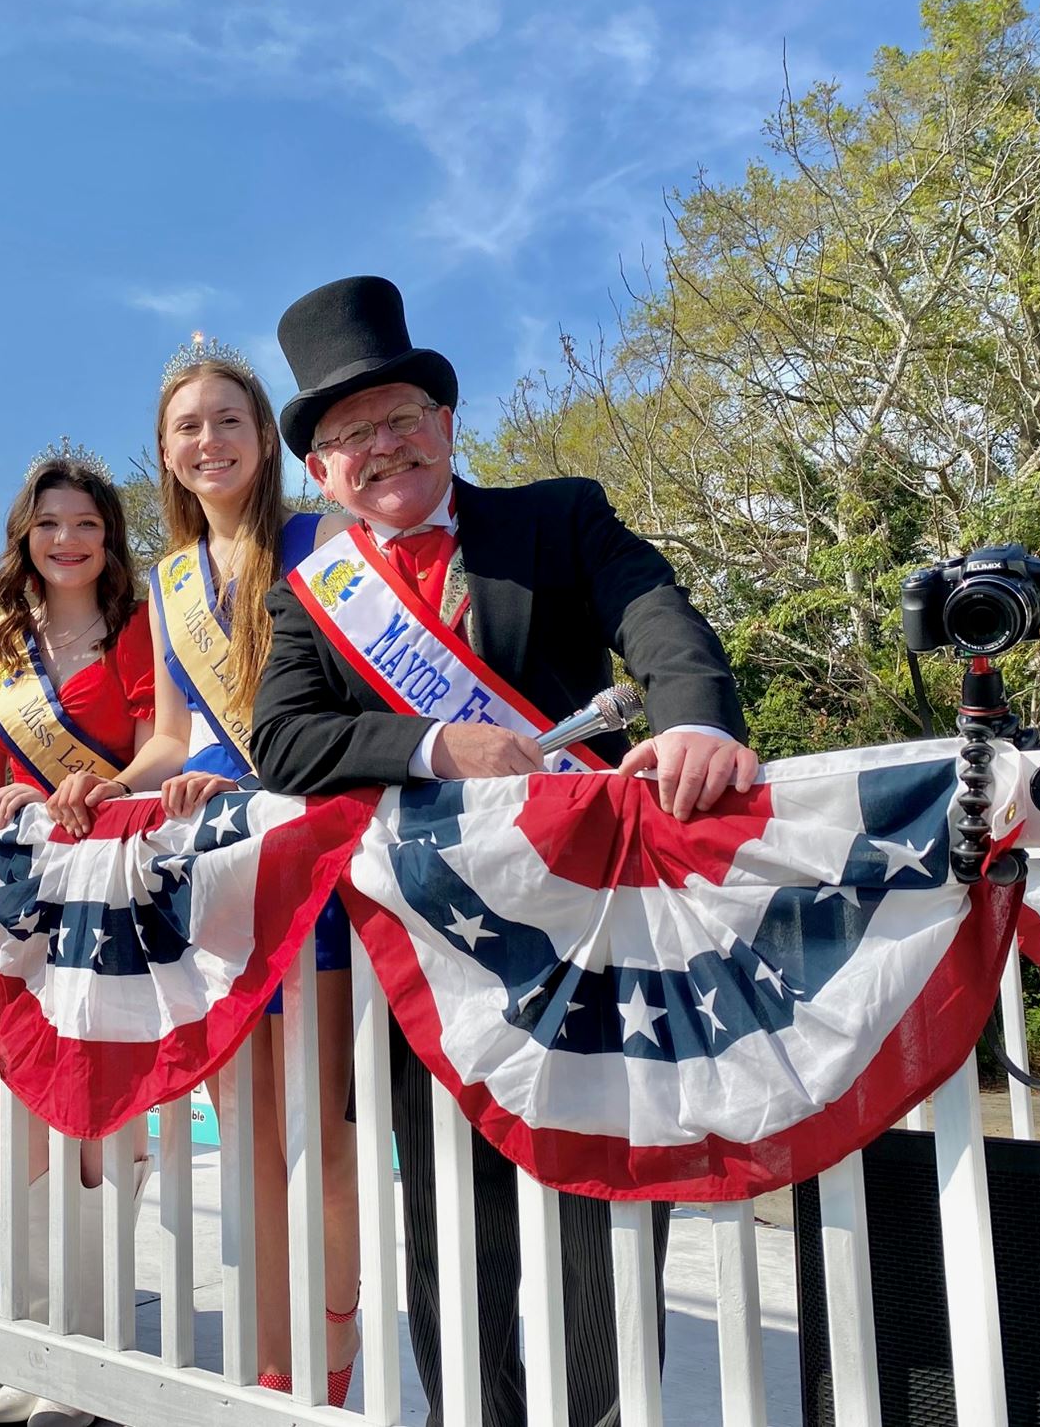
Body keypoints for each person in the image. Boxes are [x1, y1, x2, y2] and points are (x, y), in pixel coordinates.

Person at [251, 276, 759, 1427]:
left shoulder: (556, 516)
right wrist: (434, 744)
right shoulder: (312, 598)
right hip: (430, 945)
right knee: (448, 1218)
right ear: (323, 475)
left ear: (443, 424)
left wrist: (690, 719)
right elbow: (280, 739)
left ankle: (590, 1416)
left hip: (588, 933)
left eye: (397, 421)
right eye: (348, 439)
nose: (380, 451)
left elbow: (659, 617)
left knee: (598, 1200)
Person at [44, 336, 362, 1405]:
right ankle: (274, 1365)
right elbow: (173, 741)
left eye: (227, 418)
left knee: (321, 1124)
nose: (208, 439)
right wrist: (105, 781)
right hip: (212, 869)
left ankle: (332, 1350)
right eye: (187, 426)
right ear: (166, 453)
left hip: (307, 846)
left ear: (262, 435)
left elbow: (354, 708)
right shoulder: (172, 582)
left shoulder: (326, 541)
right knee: (251, 1133)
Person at [0, 445, 155, 1427]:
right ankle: (37, 1339)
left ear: (107, 541)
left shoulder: (143, 629)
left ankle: (95, 1340)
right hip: (20, 903)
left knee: (99, 1110)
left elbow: (165, 749)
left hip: (112, 888)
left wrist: (100, 785)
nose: (66, 541)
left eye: (86, 525)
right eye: (49, 525)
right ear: (24, 538)